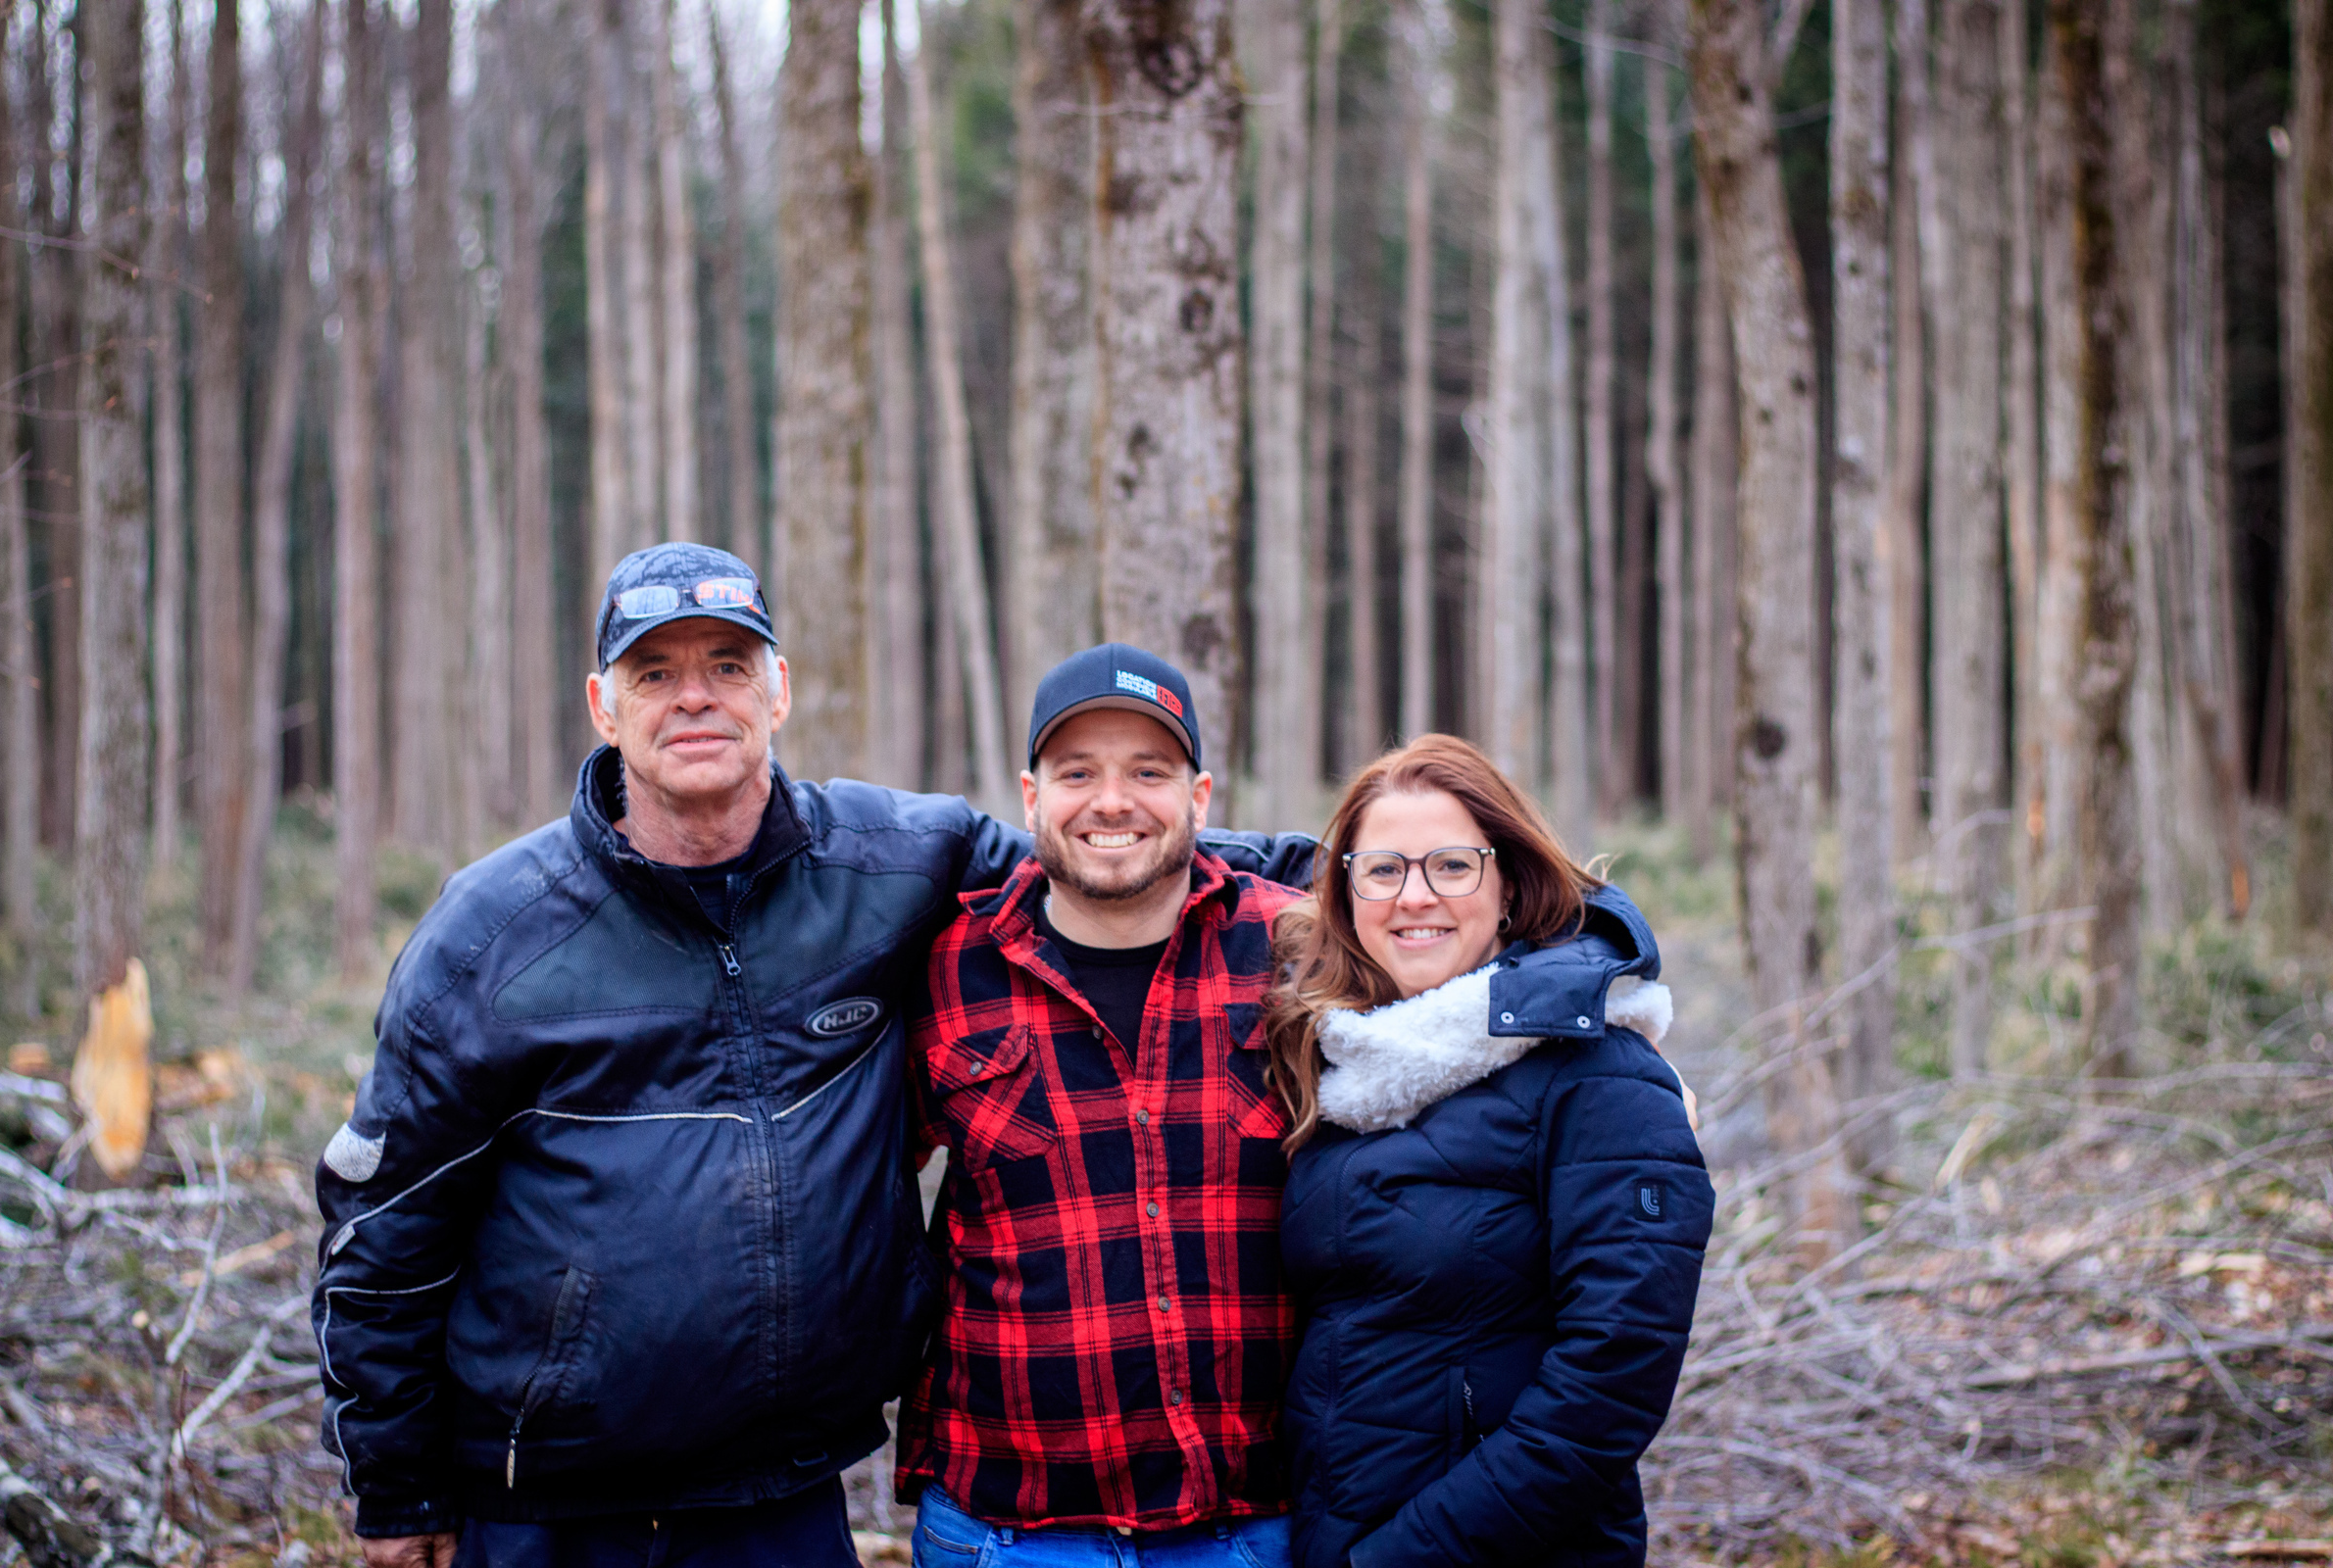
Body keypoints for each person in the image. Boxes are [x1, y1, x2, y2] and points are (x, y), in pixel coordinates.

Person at [314, 549, 1314, 1568]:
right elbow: (384, 1230)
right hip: (551, 1504)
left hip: (781, 1495)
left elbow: (1110, 847)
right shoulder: (491, 936)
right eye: (654, 673)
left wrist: (1399, 877)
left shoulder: (889, 863)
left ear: (778, 689)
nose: (696, 697)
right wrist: (398, 1490)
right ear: (602, 705)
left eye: (730, 666)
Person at [1263, 734, 1712, 1568]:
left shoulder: (1598, 1071)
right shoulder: (1350, 1071)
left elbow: (1614, 1377)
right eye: (1384, 870)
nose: (1414, 896)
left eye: (1452, 867)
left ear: (1507, 884)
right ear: (1348, 893)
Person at [898, 645, 1302, 1568]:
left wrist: (1615, 1066)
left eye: (1148, 772)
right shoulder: (942, 964)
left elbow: (1470, 927)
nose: (1112, 802)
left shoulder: (1297, 950)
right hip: (1006, 1531)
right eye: (1078, 772)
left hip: (1256, 1526)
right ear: (1032, 799)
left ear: (1199, 800)